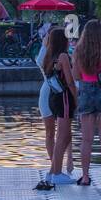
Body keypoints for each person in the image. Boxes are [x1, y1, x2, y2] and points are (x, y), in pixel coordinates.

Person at [72, 19, 101, 187]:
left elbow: (76, 75)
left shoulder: (79, 50)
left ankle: (85, 177)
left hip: (86, 92)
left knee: (86, 140)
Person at [34, 25, 74, 187]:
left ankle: (54, 169)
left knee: (61, 132)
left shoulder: (54, 55)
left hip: (52, 93)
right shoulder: (51, 55)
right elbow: (70, 80)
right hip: (54, 93)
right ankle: (55, 169)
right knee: (55, 132)